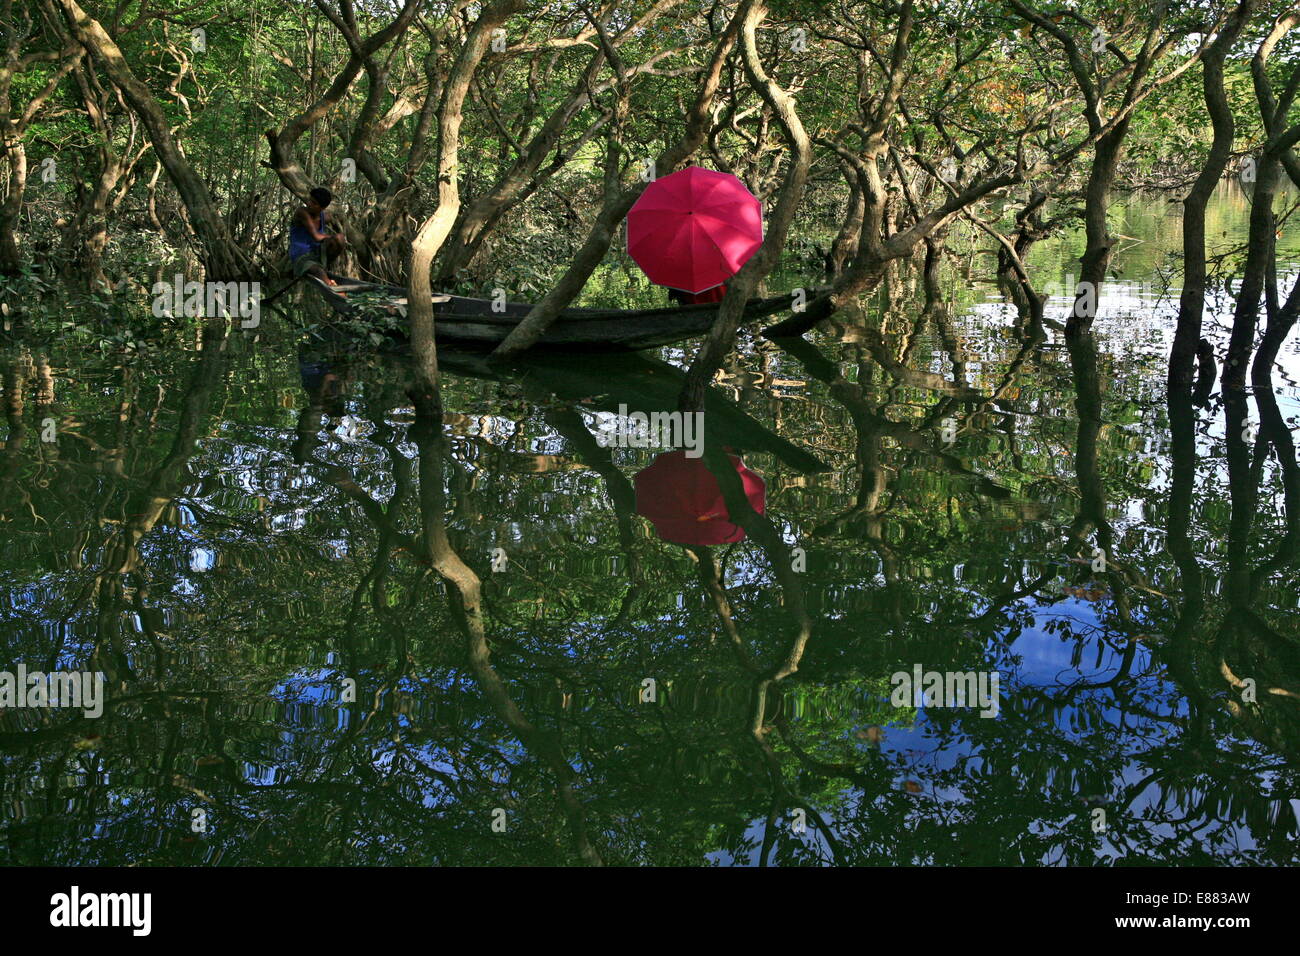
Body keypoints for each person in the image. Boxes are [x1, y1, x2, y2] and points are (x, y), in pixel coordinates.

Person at [290, 187, 346, 289]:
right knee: (318, 271)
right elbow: (316, 236)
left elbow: (335, 219)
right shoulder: (302, 212)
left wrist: (339, 230)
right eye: (310, 200)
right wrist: (332, 237)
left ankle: (325, 266)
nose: (309, 204)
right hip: (302, 256)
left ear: (322, 208)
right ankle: (338, 293)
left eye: (314, 203)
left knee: (340, 238)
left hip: (319, 254)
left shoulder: (324, 216)